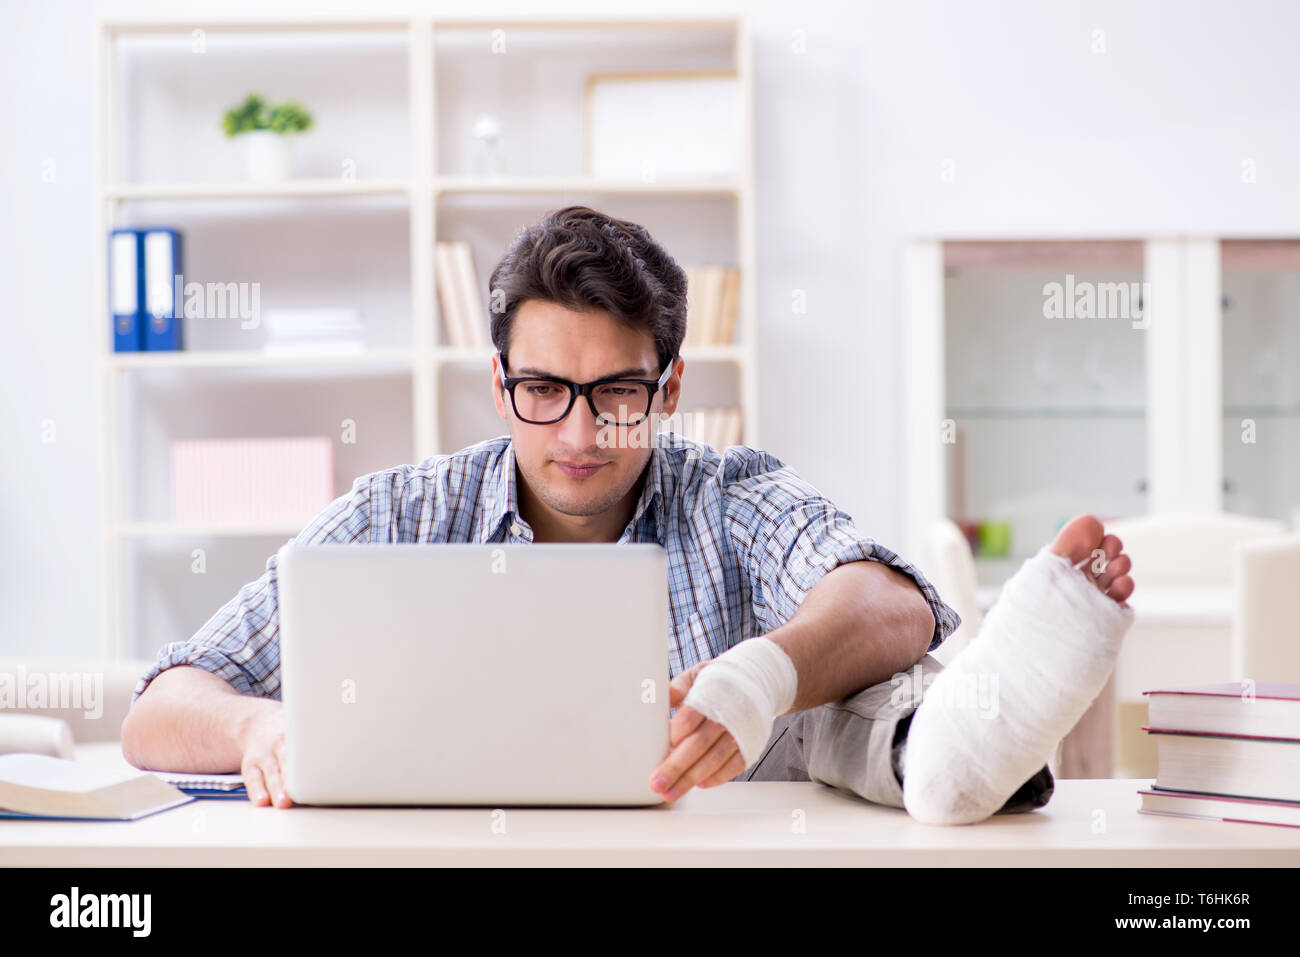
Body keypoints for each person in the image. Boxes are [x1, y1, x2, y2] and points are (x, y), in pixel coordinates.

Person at [121, 205, 1134, 825]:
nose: (579, 432)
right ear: (499, 384)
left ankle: (949, 752)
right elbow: (157, 709)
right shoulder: (399, 511)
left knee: (849, 685)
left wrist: (761, 676)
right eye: (542, 390)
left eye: (616, 393)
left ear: (671, 386)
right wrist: (258, 724)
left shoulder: (729, 495)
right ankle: (948, 751)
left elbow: (894, 604)